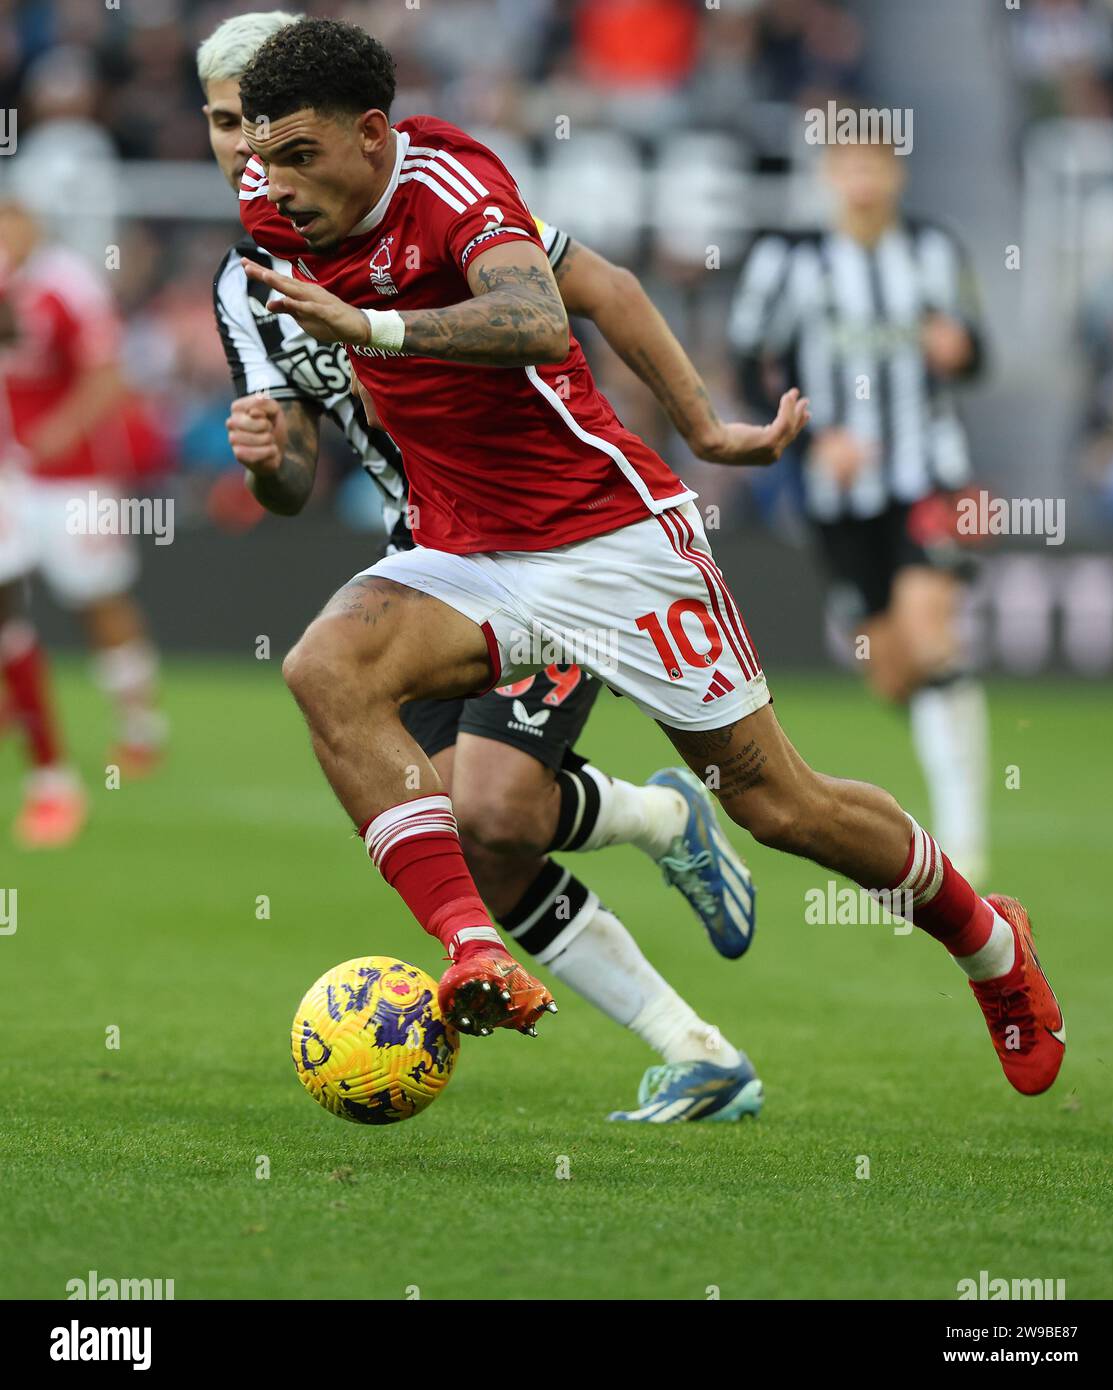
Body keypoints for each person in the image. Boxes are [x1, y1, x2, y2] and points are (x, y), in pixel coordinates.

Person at [237, 18, 1062, 1097]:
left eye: (299, 156)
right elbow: (607, 283)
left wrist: (380, 330)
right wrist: (710, 421)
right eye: (260, 153)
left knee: (781, 807)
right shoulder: (268, 213)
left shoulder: (453, 184)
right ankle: (472, 942)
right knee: (326, 668)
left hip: (609, 537)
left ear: (374, 134)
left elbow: (544, 315)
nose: (276, 183)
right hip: (465, 551)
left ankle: (991, 947)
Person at [201, 9, 805, 1122]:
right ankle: (690, 1014)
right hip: (431, 557)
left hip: (549, 539)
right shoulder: (248, 281)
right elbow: (287, 478)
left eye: (273, 129)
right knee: (479, 837)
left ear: (340, 128)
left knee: (492, 807)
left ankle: (659, 831)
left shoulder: (440, 196)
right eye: (228, 125)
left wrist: (706, 427)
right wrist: (268, 463)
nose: (249, 151)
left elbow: (598, 290)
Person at [730, 134, 991, 886]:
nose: (862, 178)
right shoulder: (792, 260)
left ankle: (963, 841)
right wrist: (811, 442)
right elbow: (751, 362)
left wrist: (962, 351)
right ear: (828, 175)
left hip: (930, 475)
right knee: (892, 670)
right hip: (838, 491)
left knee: (927, 625)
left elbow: (979, 353)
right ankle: (949, 746)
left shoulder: (935, 250)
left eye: (875, 163)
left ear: (896, 171)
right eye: (848, 164)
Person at [0, 200, 167, 845]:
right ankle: (43, 761)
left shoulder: (67, 284)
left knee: (95, 600)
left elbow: (107, 376)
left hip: (78, 478)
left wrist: (60, 430)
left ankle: (140, 726)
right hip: (14, 478)